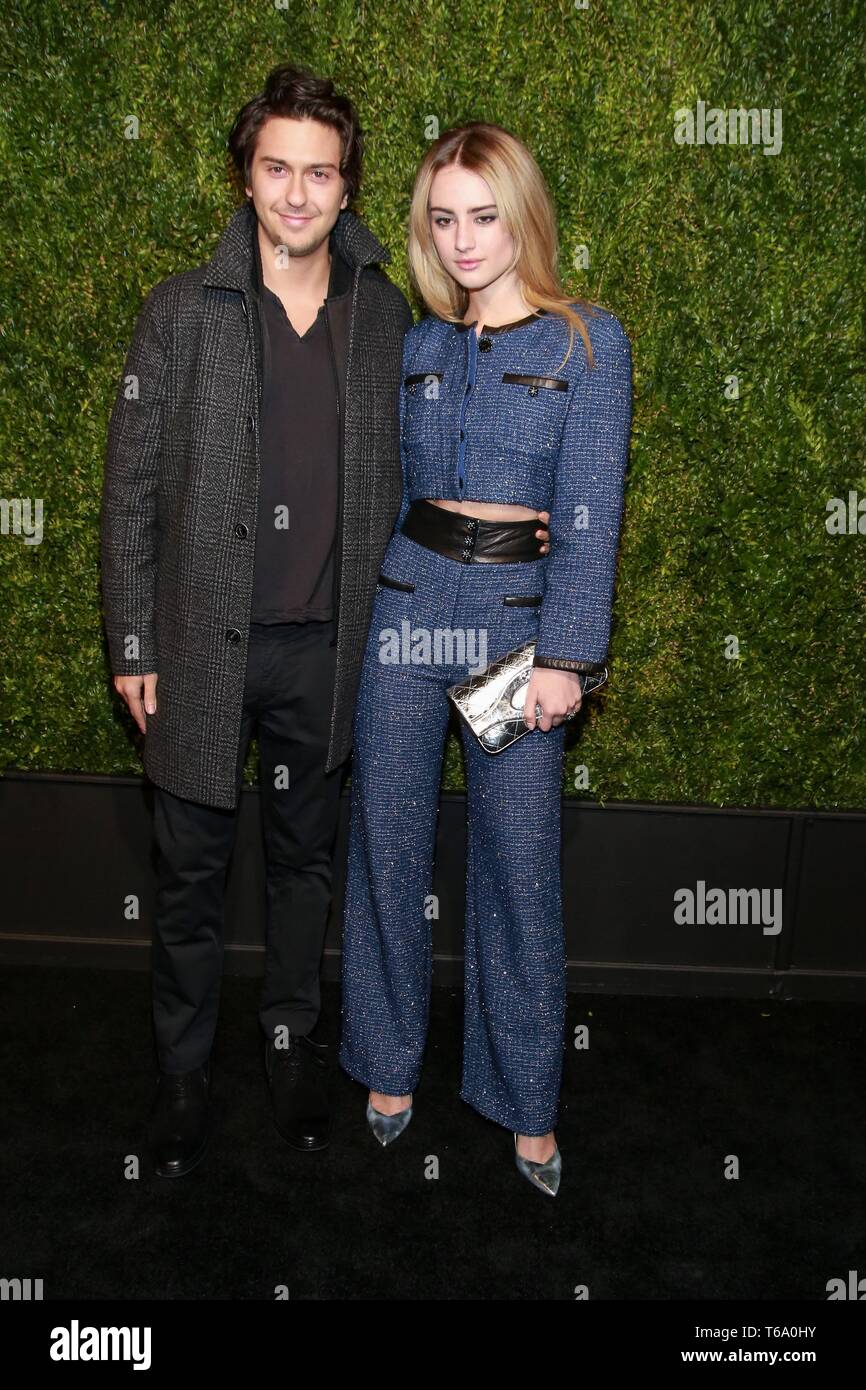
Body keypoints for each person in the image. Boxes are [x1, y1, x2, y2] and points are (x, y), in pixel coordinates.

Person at [101, 66, 534, 1178]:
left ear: (346, 188)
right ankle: (182, 1078)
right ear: (247, 179)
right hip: (199, 648)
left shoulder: (384, 310)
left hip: (332, 649)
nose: (297, 194)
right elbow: (131, 488)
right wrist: (134, 646)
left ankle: (290, 1056)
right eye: (276, 168)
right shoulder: (180, 307)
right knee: (191, 881)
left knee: (305, 872)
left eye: (321, 173)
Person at [339, 122, 633, 1196]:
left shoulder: (586, 344)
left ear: (522, 216)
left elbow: (591, 521)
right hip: (407, 612)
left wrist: (568, 655)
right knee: (386, 846)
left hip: (519, 628)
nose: (462, 241)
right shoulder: (415, 343)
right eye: (442, 219)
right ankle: (382, 1065)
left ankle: (524, 1101)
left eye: (483, 215)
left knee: (517, 869)